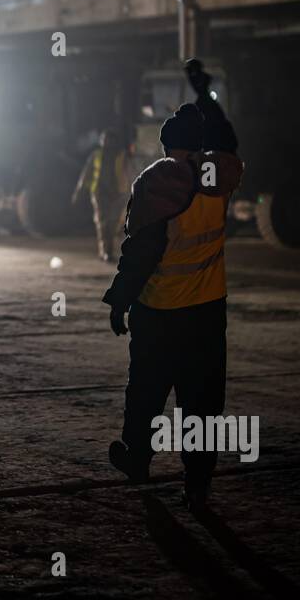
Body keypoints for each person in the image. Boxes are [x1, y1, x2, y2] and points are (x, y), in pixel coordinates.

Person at [102, 59, 243, 508]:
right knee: (202, 402)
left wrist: (119, 301)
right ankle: (198, 482)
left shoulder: (157, 181)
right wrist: (204, 96)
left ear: (165, 143)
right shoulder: (220, 178)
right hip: (207, 311)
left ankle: (138, 461)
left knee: (145, 391)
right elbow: (227, 143)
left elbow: (140, 252)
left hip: (160, 310)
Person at [72, 128, 131, 261]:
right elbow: (86, 174)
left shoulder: (122, 156)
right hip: (99, 192)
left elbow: (129, 172)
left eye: (109, 140)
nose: (106, 143)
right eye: (104, 140)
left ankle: (107, 250)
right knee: (102, 222)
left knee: (113, 223)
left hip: (118, 193)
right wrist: (79, 191)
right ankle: (106, 252)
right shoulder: (96, 156)